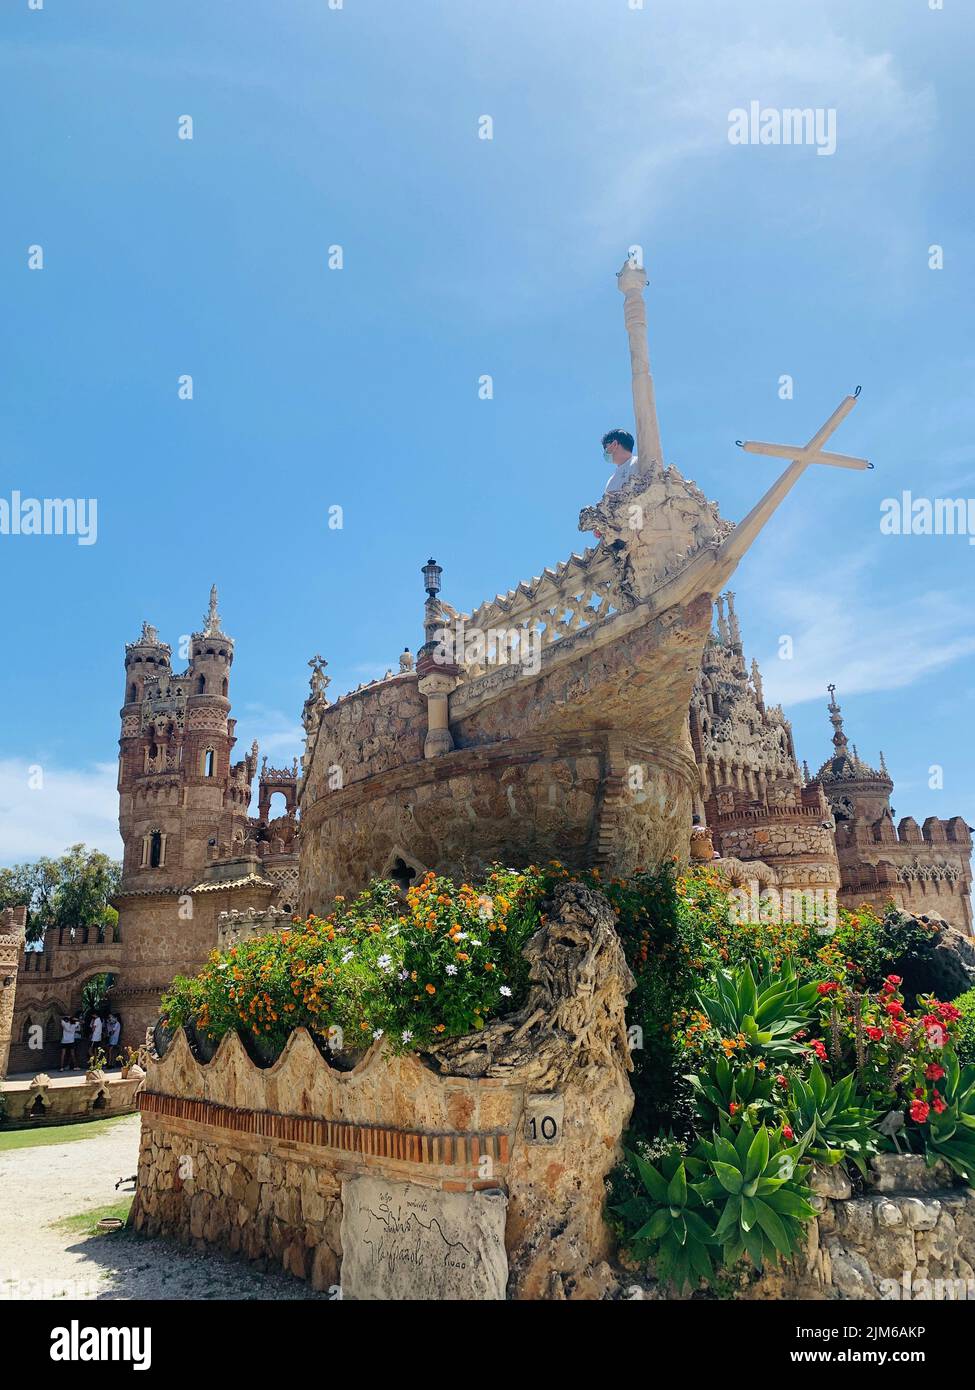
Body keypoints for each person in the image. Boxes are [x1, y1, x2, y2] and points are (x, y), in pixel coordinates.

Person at [601, 428, 642, 496]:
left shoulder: (640, 462)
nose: (605, 452)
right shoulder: (611, 480)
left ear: (614, 444)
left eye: (605, 448)